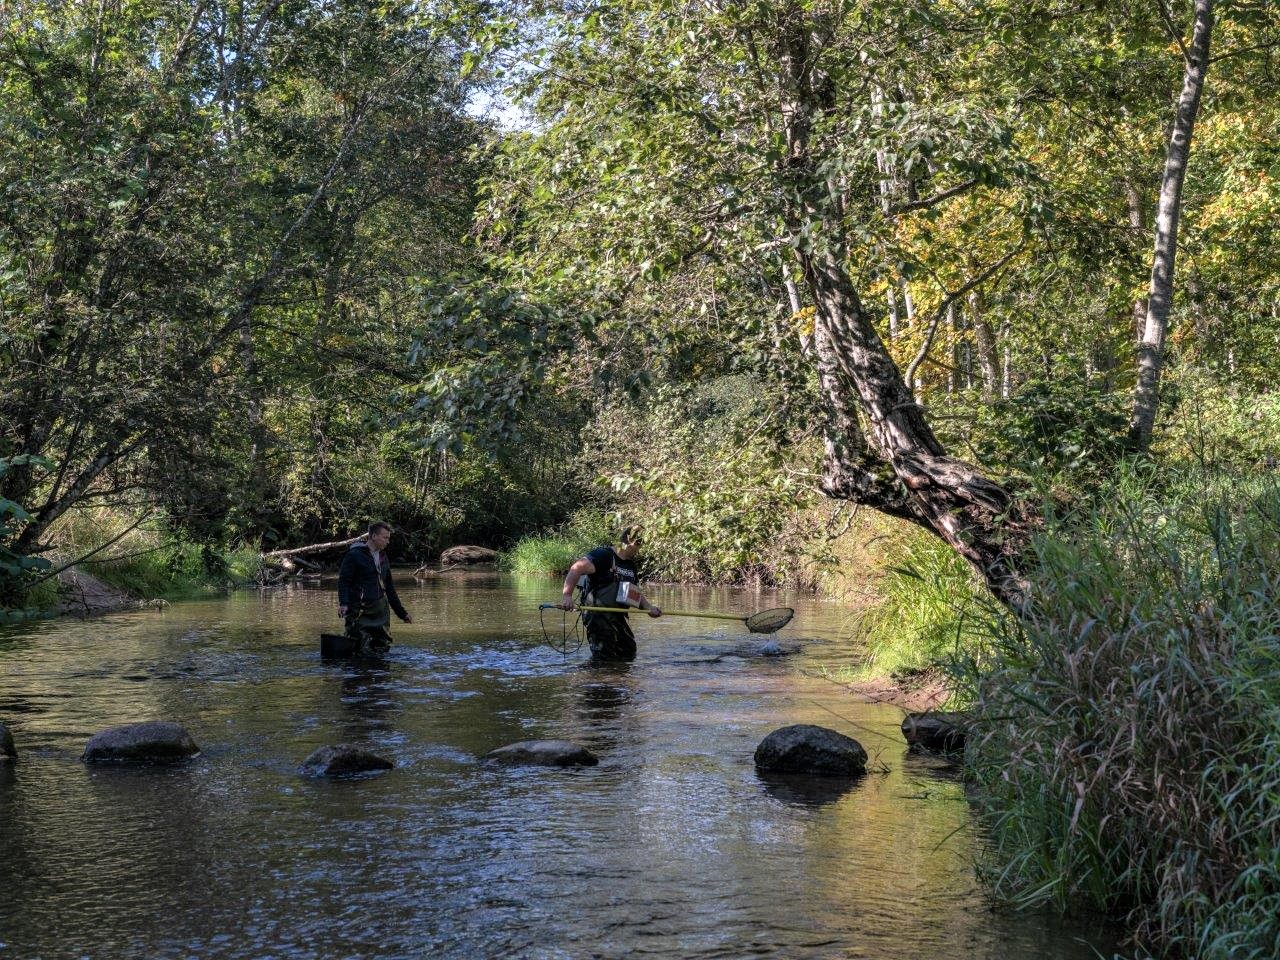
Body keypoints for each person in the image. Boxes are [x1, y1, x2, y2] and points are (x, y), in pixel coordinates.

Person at [557, 526, 661, 662]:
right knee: (604, 658)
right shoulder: (603, 555)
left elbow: (634, 593)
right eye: (639, 545)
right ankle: (597, 680)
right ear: (631, 541)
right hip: (597, 615)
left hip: (618, 617)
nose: (639, 550)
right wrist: (567, 596)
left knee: (628, 652)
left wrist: (649, 608)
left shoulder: (631, 566)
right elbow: (576, 568)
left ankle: (619, 681)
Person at [337, 521, 412, 654]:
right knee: (357, 646)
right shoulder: (354, 555)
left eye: (388, 538)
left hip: (381, 611)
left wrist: (402, 614)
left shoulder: (383, 557)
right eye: (385, 538)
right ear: (373, 536)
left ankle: (380, 673)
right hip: (360, 610)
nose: (387, 542)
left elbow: (390, 589)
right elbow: (344, 582)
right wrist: (344, 603)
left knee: (382, 648)